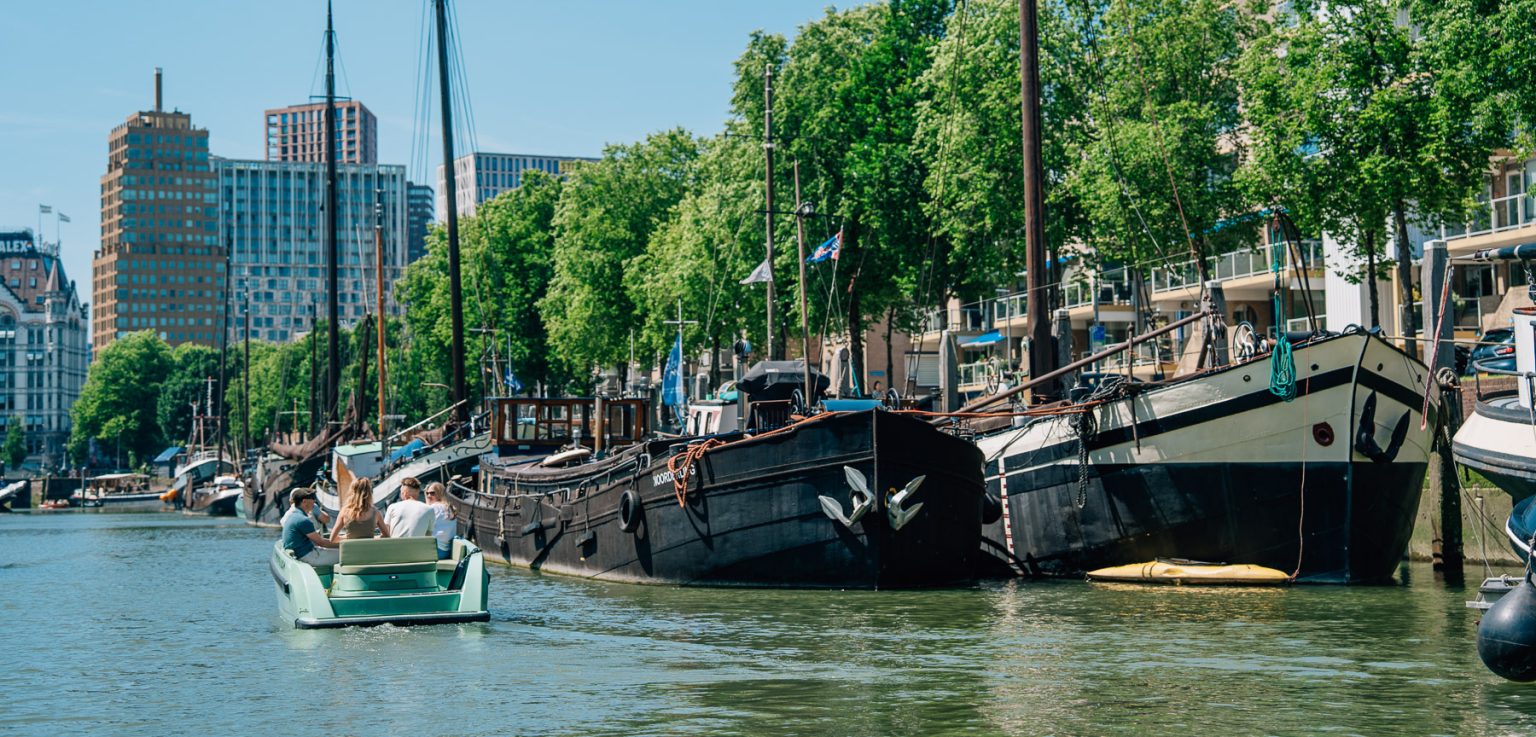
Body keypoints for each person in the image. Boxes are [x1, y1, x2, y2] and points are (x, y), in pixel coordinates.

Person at [281, 488, 341, 566]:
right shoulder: (303, 520)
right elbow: (321, 543)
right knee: (347, 554)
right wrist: (345, 544)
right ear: (304, 501)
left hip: (302, 553)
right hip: (307, 556)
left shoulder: (293, 515)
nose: (314, 501)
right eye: (312, 498)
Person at [330, 477, 390, 543]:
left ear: (352, 492)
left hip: (350, 552)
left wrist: (347, 537)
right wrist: (373, 538)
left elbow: (332, 539)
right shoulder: (375, 512)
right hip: (370, 551)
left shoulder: (344, 511)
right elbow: (386, 536)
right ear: (369, 493)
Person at [423, 482, 456, 560]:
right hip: (445, 551)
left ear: (439, 493)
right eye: (427, 493)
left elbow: (424, 526)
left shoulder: (434, 508)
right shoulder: (450, 507)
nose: (428, 496)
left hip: (435, 551)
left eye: (432, 493)